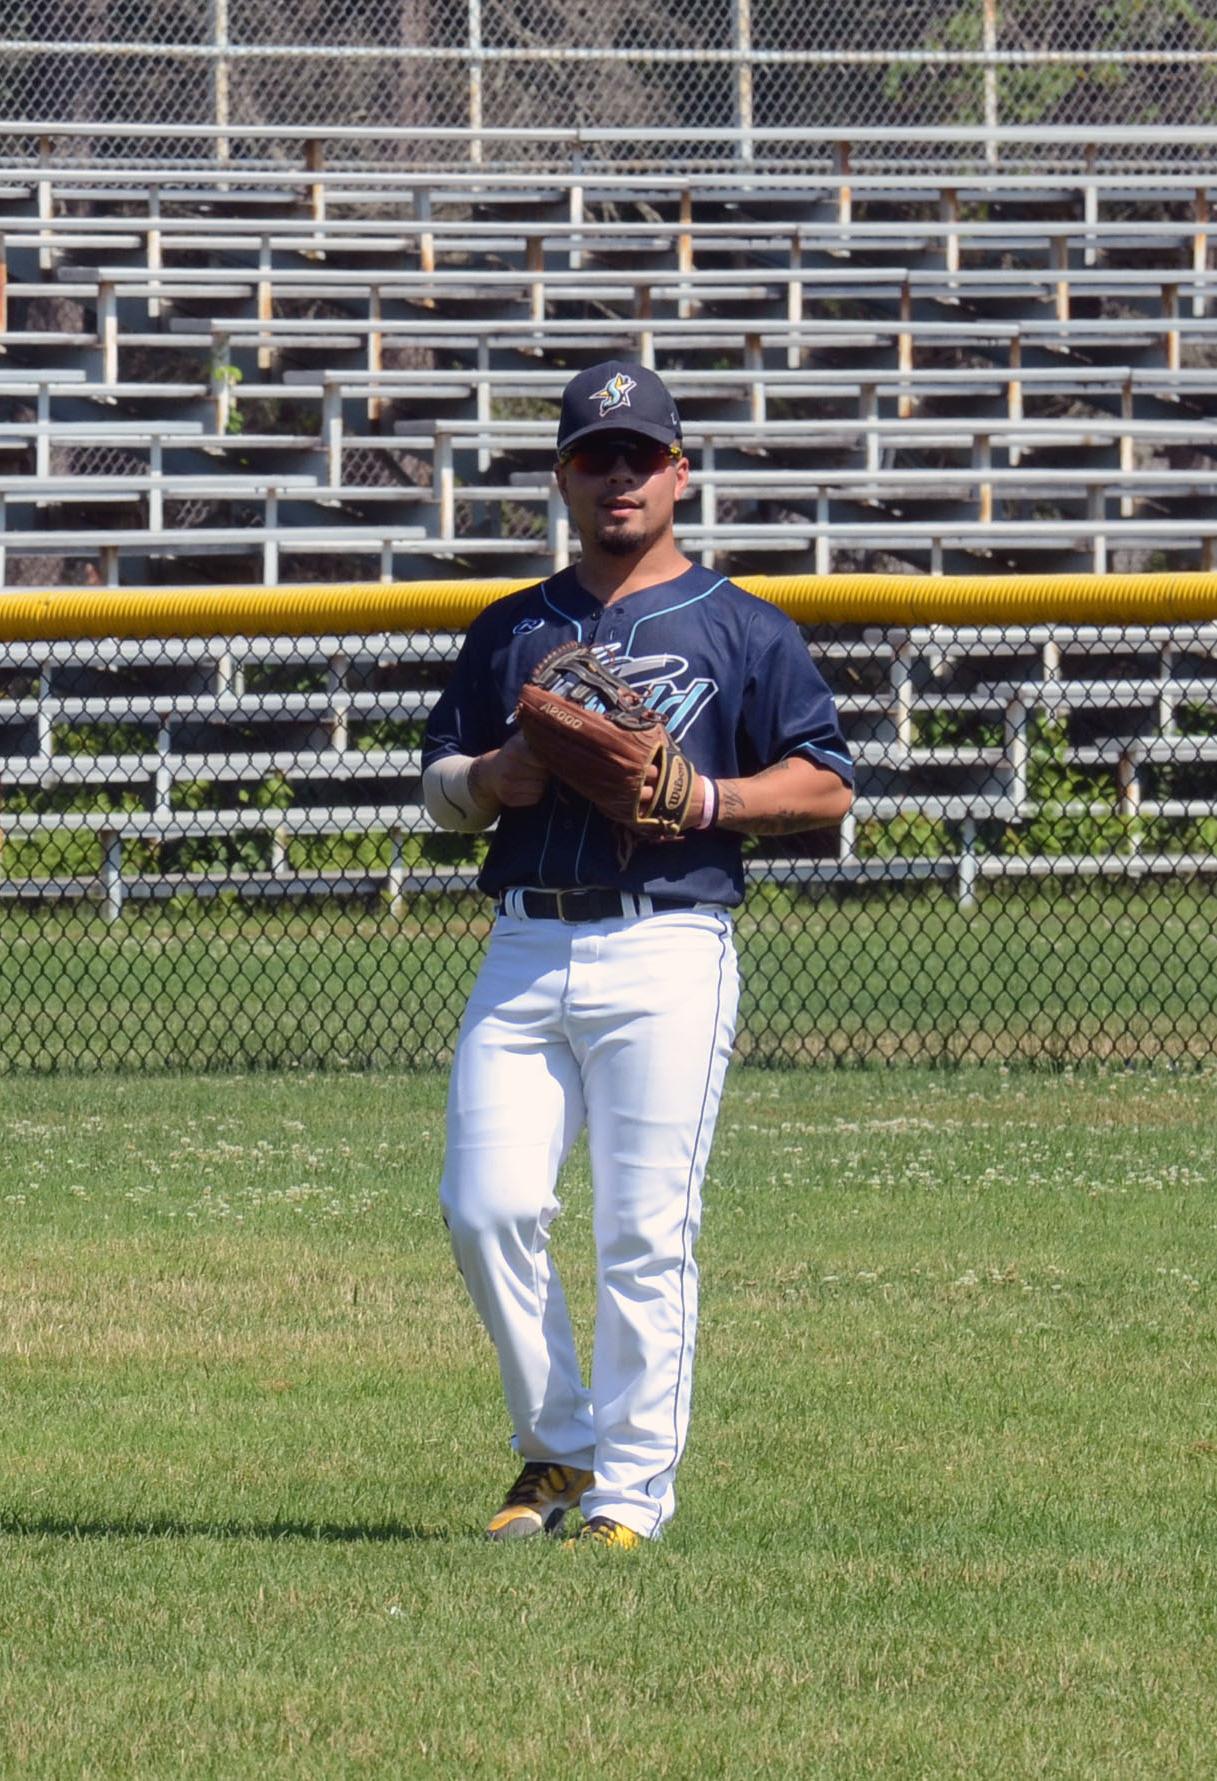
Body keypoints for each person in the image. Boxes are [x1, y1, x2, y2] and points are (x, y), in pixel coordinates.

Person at [416, 360, 856, 1547]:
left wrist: (707, 798)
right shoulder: (512, 627)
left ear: (679, 472)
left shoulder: (743, 625)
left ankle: (629, 1497)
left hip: (668, 939)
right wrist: (487, 780)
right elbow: (438, 782)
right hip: (523, 942)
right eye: (594, 456)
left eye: (641, 455)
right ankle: (559, 1442)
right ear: (561, 477)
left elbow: (826, 783)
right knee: (485, 1203)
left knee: (643, 1228)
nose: (619, 474)